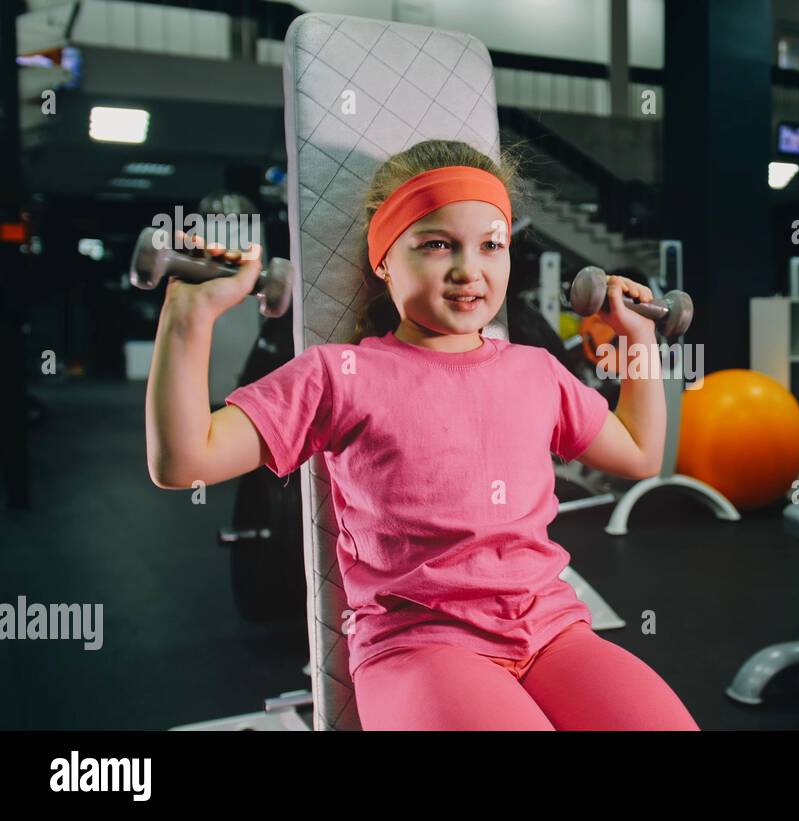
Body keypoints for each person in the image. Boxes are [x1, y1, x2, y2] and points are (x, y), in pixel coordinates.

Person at [145, 139, 699, 731]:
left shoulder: (534, 370)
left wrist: (639, 340)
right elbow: (184, 460)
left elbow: (640, 454)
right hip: (422, 644)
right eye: (437, 244)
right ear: (383, 259)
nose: (469, 270)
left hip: (551, 629)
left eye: (491, 245)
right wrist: (188, 318)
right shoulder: (340, 374)